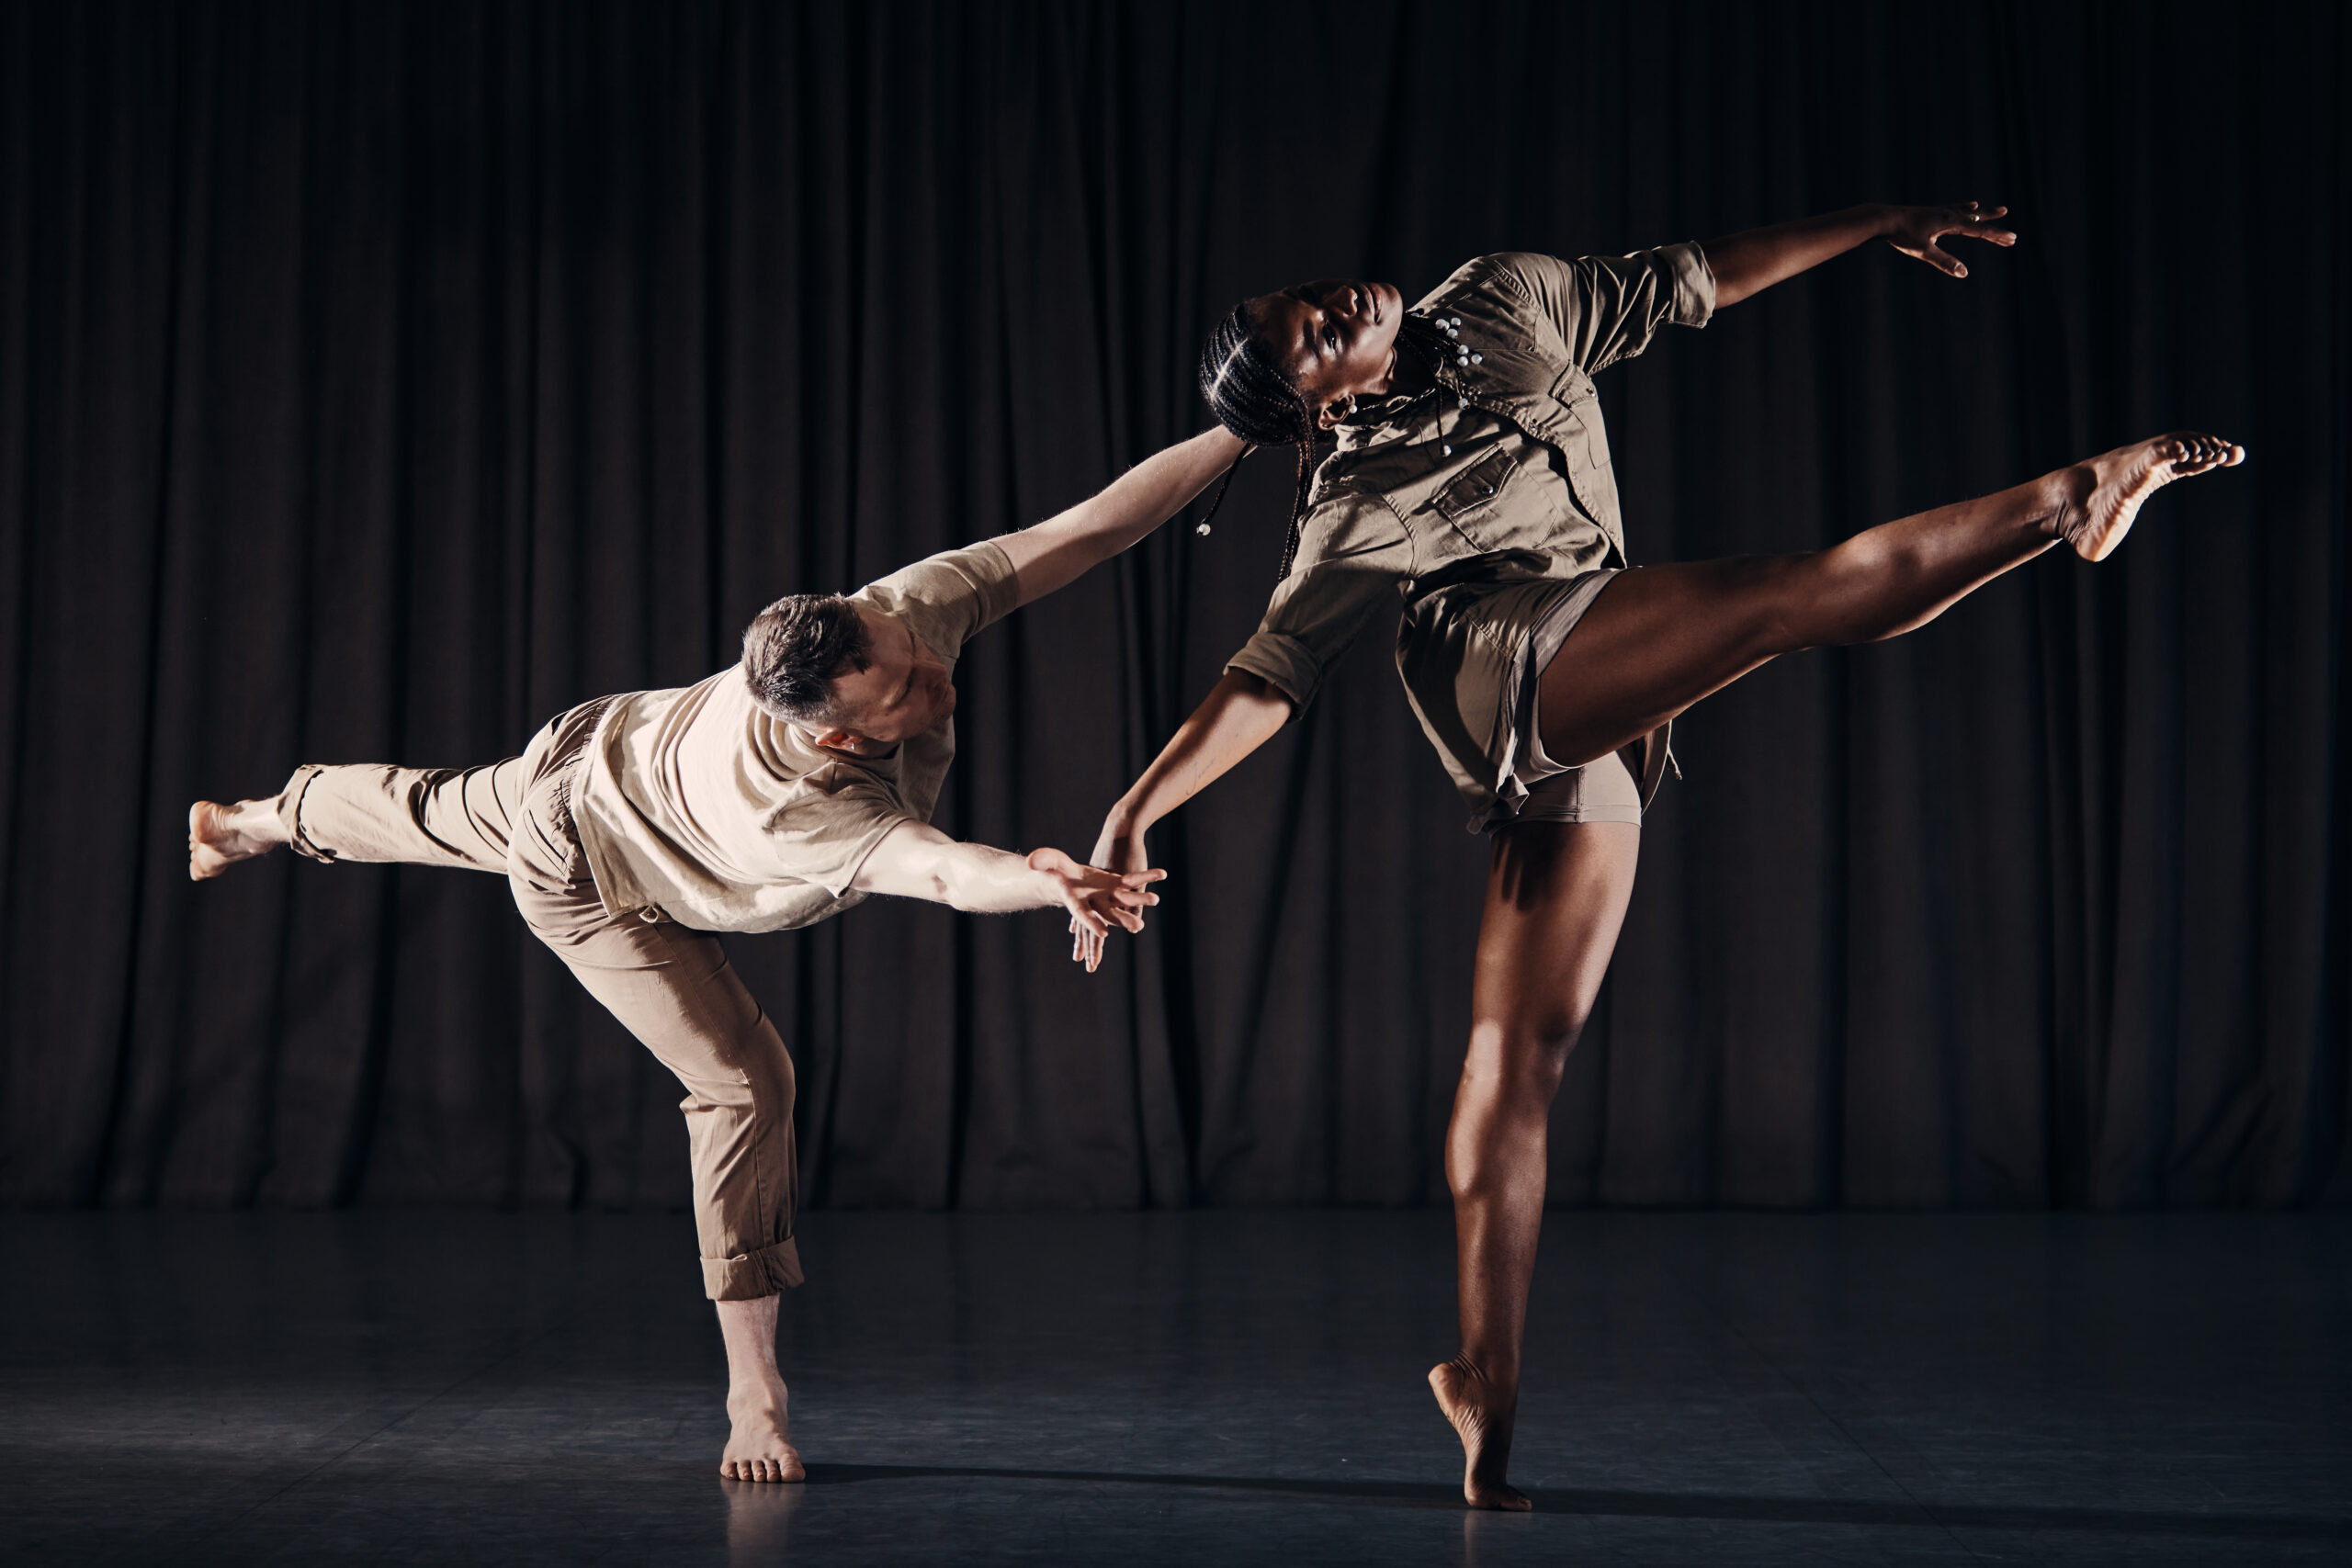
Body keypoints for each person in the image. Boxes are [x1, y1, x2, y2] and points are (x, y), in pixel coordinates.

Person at [1085, 203, 2244, 1508]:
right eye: (1310, 342)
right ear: (1319, 411)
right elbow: (1269, 674)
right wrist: (1136, 809)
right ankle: (2067, 498)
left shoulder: (1503, 298)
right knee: (1783, 596)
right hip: (1504, 665)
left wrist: (1877, 227)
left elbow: (1702, 275)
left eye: (1312, 296)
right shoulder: (1356, 493)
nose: (1335, 306)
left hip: (1599, 687)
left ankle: (1484, 1380)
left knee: (1516, 1056)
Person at [187, 424, 1247, 1482]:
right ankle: (755, 1394)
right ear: (835, 739)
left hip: (606, 742)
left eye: (915, 655)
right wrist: (1041, 874)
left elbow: (1089, 527)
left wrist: (1241, 427)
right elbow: (939, 872)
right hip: (591, 869)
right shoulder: (794, 812)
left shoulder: (894, 615)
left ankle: (248, 821)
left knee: (428, 808)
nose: (932, 671)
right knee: (745, 1083)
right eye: (905, 694)